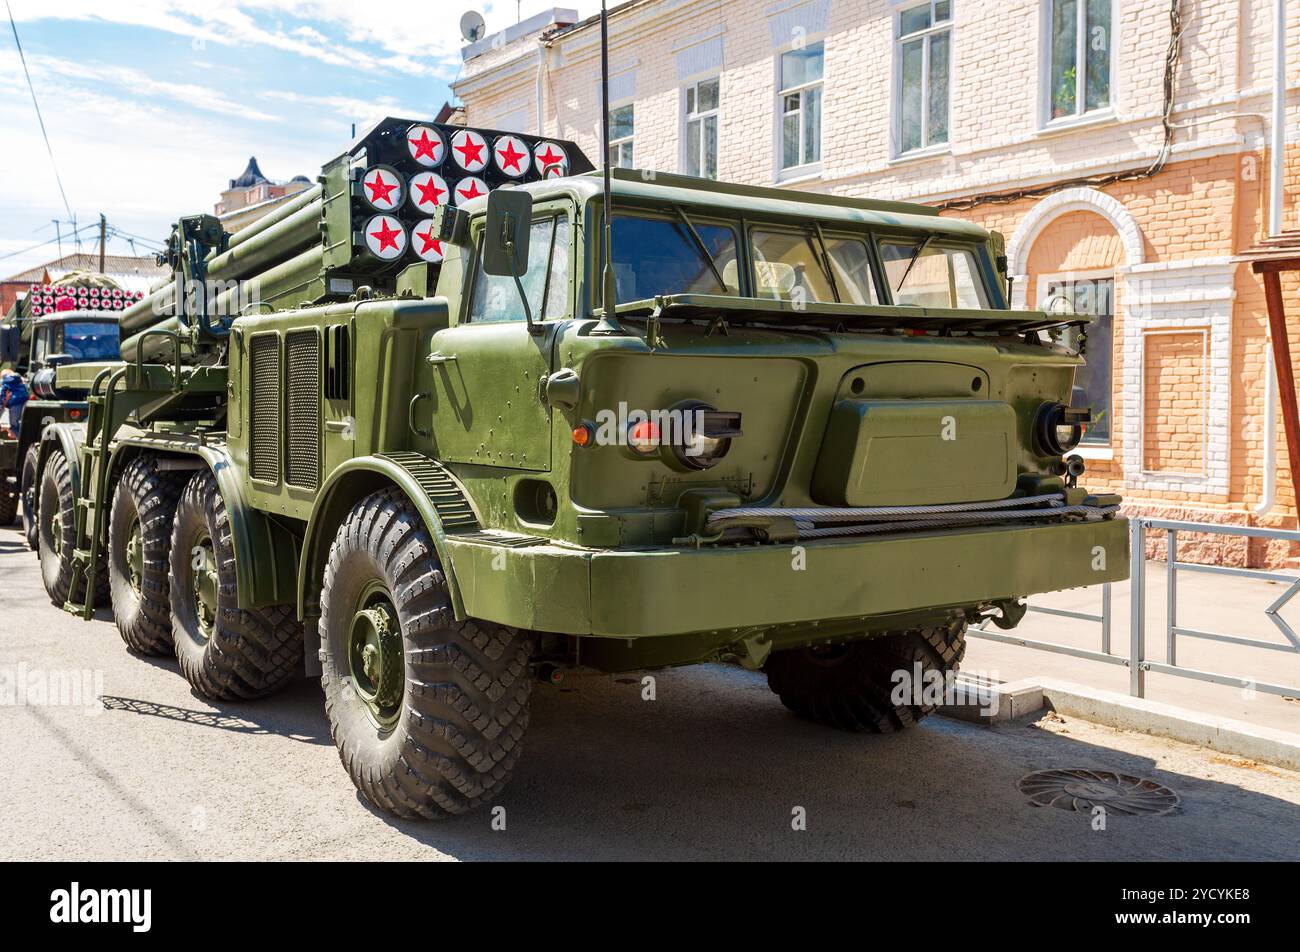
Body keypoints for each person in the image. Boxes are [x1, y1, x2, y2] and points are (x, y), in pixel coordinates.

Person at [0, 369, 30, 438]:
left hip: (15, 403)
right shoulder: (20, 380)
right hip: (26, 401)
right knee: (24, 423)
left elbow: (2, 398)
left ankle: (22, 440)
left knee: (14, 427)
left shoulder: (5, 383)